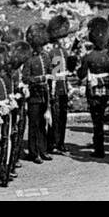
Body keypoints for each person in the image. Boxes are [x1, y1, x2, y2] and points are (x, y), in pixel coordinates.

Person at [78, 16, 109, 159]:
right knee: (101, 118)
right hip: (105, 90)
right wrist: (103, 80)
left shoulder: (88, 57)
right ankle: (99, 146)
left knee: (96, 121)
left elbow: (81, 75)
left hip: (92, 91)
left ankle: (99, 148)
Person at [22, 23, 50, 164]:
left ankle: (43, 150)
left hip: (44, 93)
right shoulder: (30, 59)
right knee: (34, 124)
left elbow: (49, 72)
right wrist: (39, 79)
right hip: (34, 95)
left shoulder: (45, 57)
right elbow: (25, 78)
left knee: (42, 123)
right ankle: (34, 152)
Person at [43, 15, 70, 155]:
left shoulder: (61, 49)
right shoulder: (52, 50)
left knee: (62, 115)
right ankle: (53, 142)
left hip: (63, 85)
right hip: (55, 86)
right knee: (55, 115)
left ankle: (60, 142)